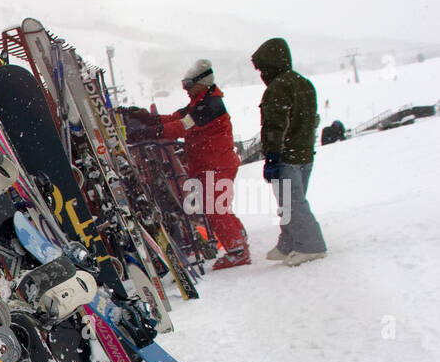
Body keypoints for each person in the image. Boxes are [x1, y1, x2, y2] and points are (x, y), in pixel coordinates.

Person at [126, 59, 250, 269]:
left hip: (216, 164)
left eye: (188, 85)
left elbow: (182, 127)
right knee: (218, 206)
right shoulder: (200, 102)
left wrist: (147, 132)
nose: (186, 90)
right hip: (209, 163)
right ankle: (238, 237)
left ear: (202, 82)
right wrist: (149, 119)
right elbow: (176, 118)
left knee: (215, 208)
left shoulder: (211, 105)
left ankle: (237, 250)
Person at [251, 38, 327, 266]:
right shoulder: (304, 83)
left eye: (262, 68)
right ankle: (289, 242)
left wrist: (273, 157)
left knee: (293, 203)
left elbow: (274, 126)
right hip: (304, 154)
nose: (262, 74)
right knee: (290, 201)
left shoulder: (278, 88)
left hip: (287, 156)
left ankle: (311, 245)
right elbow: (310, 120)